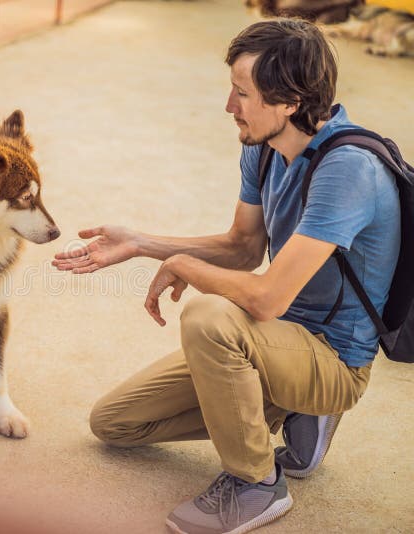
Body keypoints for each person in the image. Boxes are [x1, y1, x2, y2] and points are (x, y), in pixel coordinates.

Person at [53, 19, 400, 534]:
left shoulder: (348, 170)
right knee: (116, 423)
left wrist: (186, 267)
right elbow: (242, 248)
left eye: (242, 93)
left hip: (334, 357)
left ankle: (256, 483)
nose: (229, 106)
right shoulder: (262, 147)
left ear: (288, 101)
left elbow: (266, 299)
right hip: (279, 342)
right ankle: (291, 407)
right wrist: (142, 244)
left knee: (209, 315)